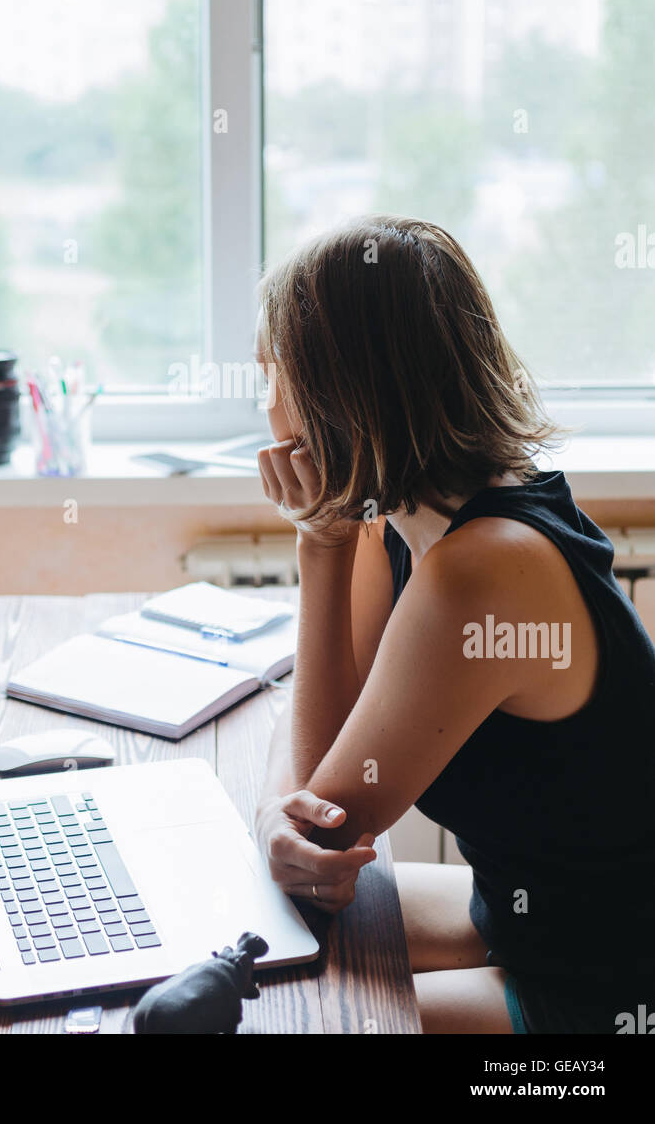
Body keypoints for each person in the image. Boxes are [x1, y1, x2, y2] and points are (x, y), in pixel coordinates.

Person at [253, 215, 655, 1034]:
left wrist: (319, 546)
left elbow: (324, 831)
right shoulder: (406, 520)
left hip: (596, 991)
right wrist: (327, 535)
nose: (266, 408)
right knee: (250, 940)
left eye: (273, 375)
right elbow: (319, 797)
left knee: (287, 1024)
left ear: (342, 393)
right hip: (513, 914)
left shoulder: (483, 570)